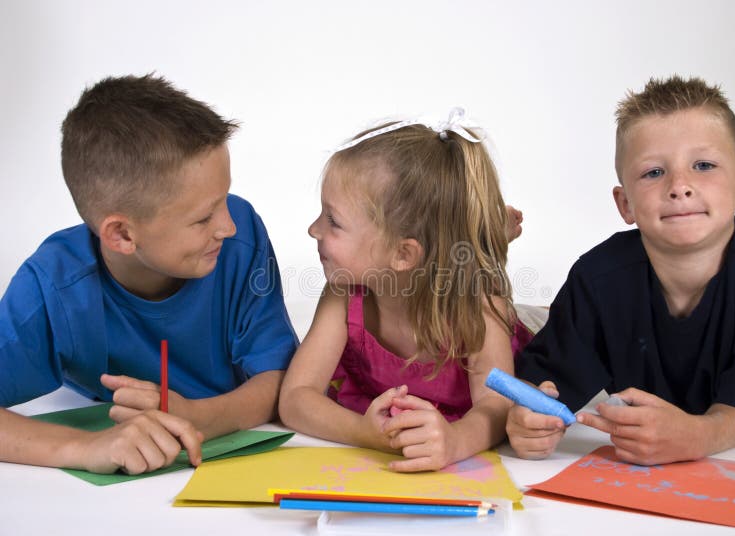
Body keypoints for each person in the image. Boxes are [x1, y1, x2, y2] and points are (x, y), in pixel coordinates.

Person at [0, 74, 297, 474]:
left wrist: (199, 416)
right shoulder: (53, 285)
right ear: (122, 234)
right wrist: (83, 448)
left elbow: (281, 380)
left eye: (224, 199)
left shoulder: (240, 239)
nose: (228, 226)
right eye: (203, 217)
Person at [508, 75, 735, 466]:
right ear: (625, 203)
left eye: (704, 165)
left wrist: (694, 436)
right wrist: (529, 417)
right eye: (654, 173)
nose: (680, 186)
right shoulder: (598, 280)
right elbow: (545, 383)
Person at [279, 110, 533, 472]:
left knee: (502, 297)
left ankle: (489, 243)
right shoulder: (343, 295)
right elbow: (295, 399)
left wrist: (455, 442)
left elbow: (497, 404)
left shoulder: (477, 305)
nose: (313, 230)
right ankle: (484, 239)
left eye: (333, 221)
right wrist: (365, 433)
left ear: (402, 253)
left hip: (495, 312)